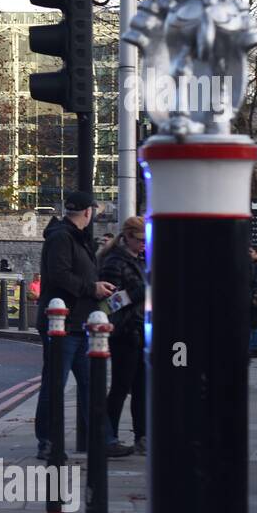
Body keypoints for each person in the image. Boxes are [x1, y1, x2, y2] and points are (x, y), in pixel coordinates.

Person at [34, 191, 132, 459]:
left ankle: (103, 439)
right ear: (88, 212)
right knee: (54, 384)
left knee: (93, 384)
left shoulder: (75, 237)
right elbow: (59, 275)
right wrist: (93, 288)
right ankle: (48, 442)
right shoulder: (61, 237)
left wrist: (98, 287)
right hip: (62, 324)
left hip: (80, 324)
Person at [98, 216, 148, 454]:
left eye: (146, 240)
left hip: (139, 329)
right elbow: (109, 303)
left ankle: (142, 436)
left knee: (141, 387)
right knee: (121, 386)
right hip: (124, 331)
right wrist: (141, 290)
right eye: (139, 240)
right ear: (127, 236)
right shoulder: (114, 262)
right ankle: (108, 437)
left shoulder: (139, 259)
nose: (143, 244)